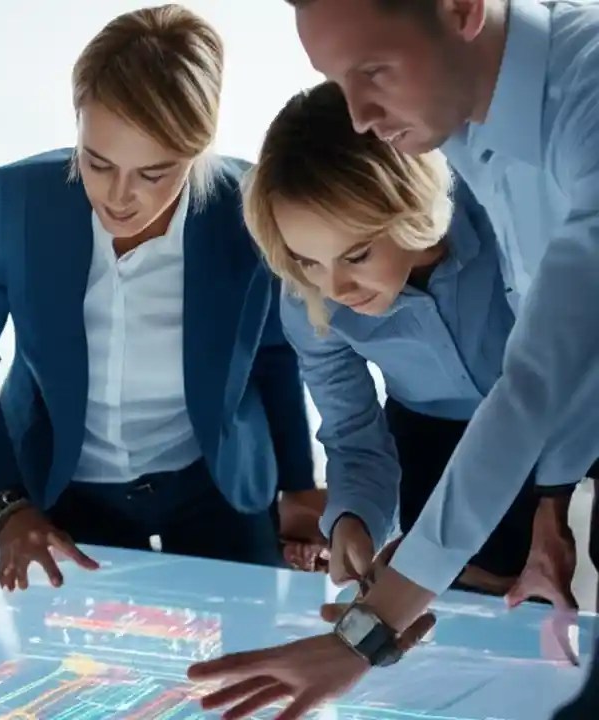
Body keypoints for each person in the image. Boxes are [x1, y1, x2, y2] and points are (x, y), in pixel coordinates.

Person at [189, 1, 599, 718]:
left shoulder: (574, 104)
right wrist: (368, 547)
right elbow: (561, 349)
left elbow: (538, 373)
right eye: (337, 80)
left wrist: (369, 631)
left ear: (462, 9)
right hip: (480, 440)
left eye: (373, 70)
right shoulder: (461, 129)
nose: (358, 119)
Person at [0, 4, 319, 593]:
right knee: (62, 671)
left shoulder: (248, 209)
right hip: (61, 487)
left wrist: (298, 485)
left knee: (247, 659)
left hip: (217, 481)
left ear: (199, 146)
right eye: (97, 162)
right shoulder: (16, 203)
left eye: (155, 173)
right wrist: (5, 503)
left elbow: (273, 354)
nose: (119, 197)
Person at [247, 80, 557, 601]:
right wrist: (353, 520)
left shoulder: (501, 210)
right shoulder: (307, 299)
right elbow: (352, 433)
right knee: (464, 597)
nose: (336, 288)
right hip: (433, 426)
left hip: (569, 392)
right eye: (307, 259)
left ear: (410, 209)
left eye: (357, 254)